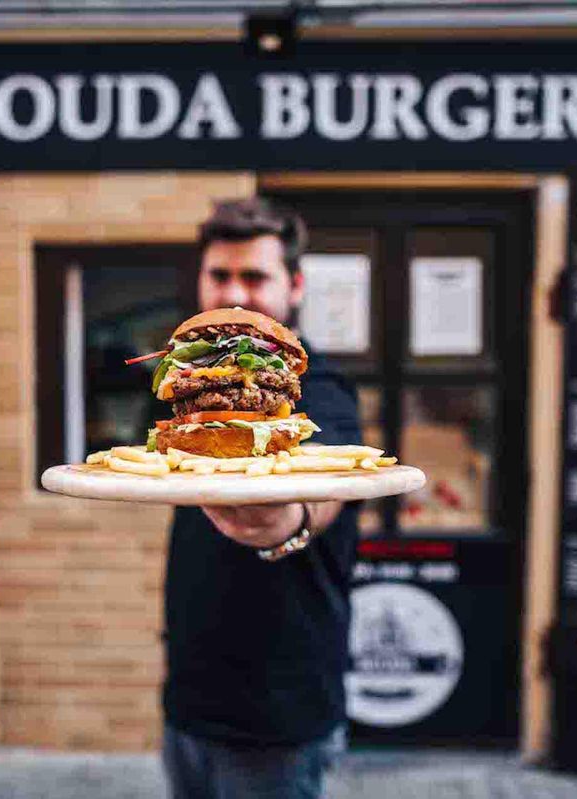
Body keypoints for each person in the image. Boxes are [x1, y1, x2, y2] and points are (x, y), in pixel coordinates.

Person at [156, 197, 362, 799]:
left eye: (255, 276)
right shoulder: (190, 394)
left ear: (294, 286)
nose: (233, 293)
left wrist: (286, 520)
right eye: (219, 275)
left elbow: (331, 491)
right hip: (189, 699)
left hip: (280, 712)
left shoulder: (318, 389)